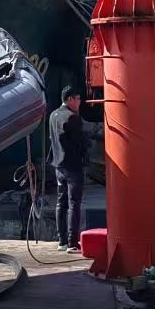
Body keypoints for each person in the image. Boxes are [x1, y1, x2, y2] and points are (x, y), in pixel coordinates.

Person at [49, 85, 88, 252]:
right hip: (73, 167)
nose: (79, 102)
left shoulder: (53, 115)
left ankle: (62, 241)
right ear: (70, 99)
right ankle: (72, 243)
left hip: (59, 166)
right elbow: (80, 142)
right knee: (74, 204)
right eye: (77, 98)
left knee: (61, 203)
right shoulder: (72, 117)